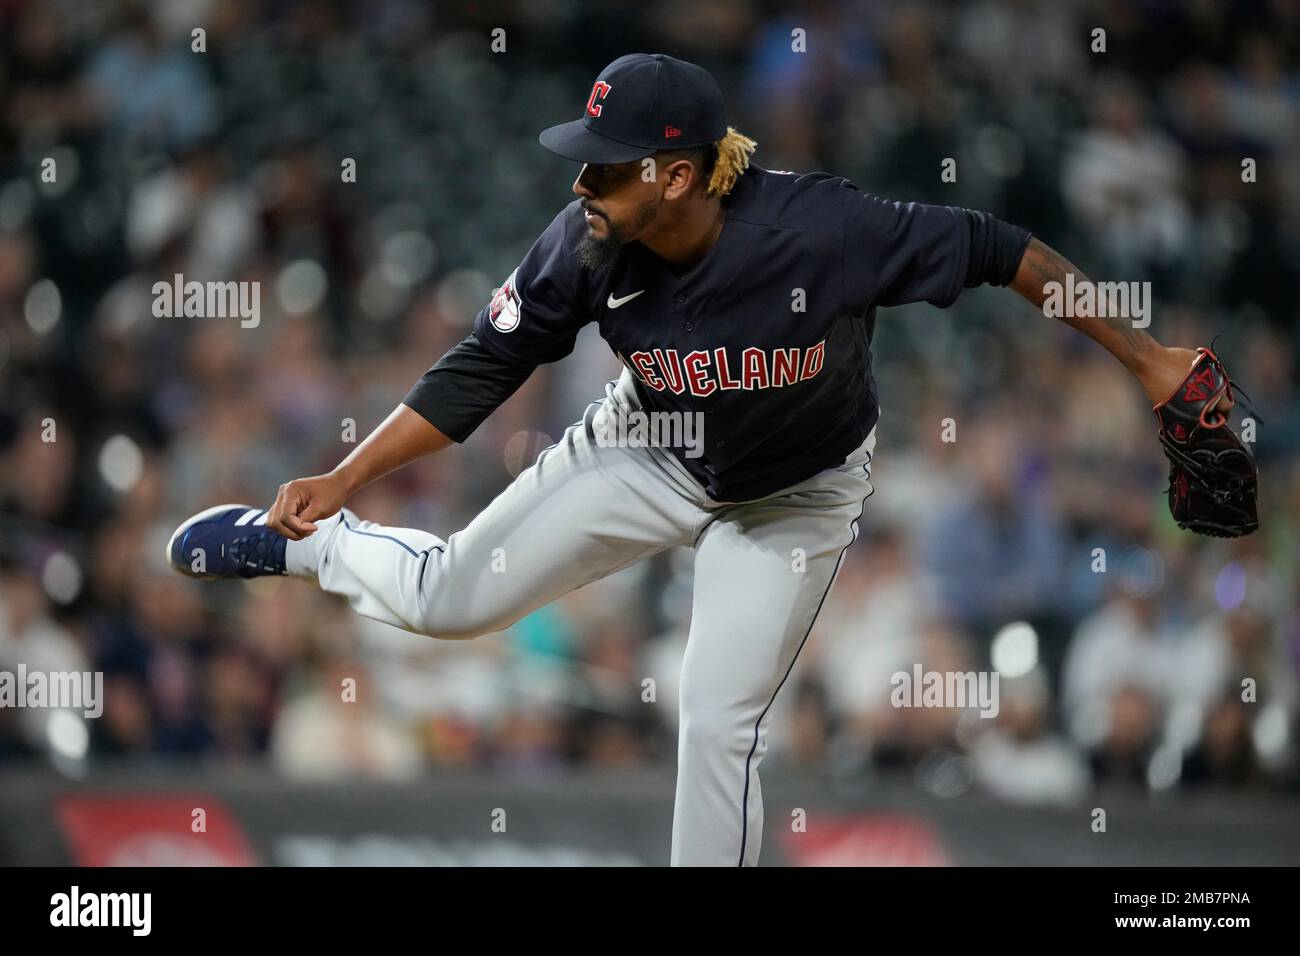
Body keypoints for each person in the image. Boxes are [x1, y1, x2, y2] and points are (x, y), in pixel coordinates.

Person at [166, 53, 1227, 866]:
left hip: (798, 496)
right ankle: (315, 551)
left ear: (677, 174)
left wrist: (1145, 358)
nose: (581, 179)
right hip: (651, 446)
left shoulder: (820, 230)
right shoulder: (585, 242)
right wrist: (342, 481)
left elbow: (1000, 250)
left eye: (606, 164)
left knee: (716, 720)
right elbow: (475, 372)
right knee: (445, 602)